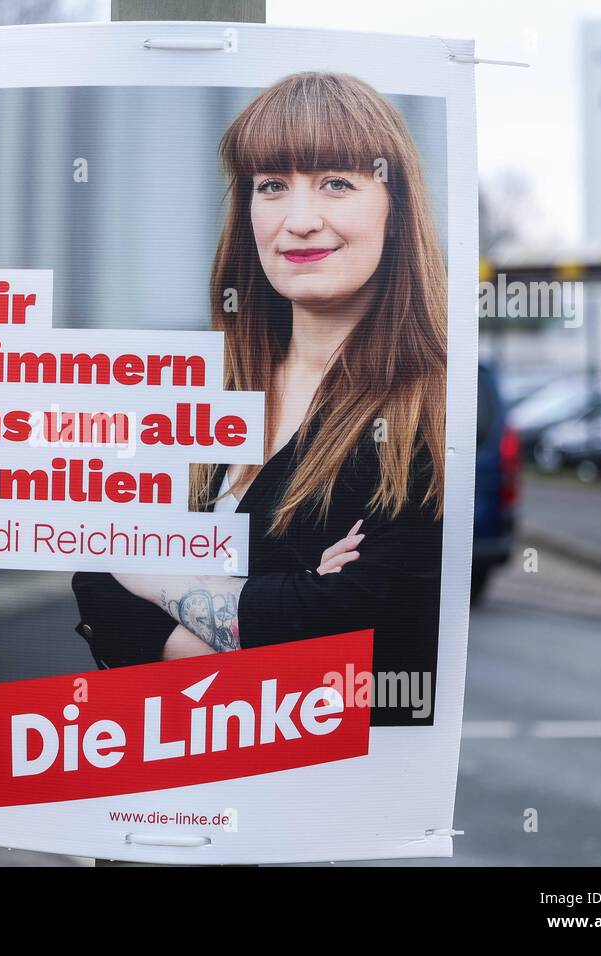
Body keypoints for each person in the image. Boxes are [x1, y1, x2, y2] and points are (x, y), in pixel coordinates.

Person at [72, 72, 447, 726]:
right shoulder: (206, 393)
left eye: (337, 182)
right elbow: (97, 579)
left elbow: (362, 639)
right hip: (179, 786)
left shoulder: (429, 411)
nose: (300, 221)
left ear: (396, 211)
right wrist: (277, 616)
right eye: (272, 186)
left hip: (337, 805)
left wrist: (157, 580)